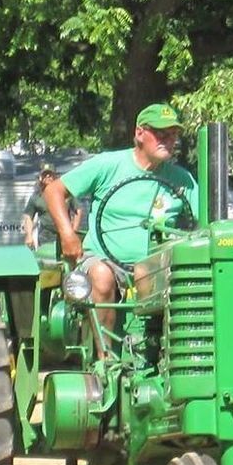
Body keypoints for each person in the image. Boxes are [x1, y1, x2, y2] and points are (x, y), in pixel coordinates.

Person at [42, 103, 198, 350]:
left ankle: (163, 353)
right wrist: (67, 234)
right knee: (101, 276)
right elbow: (54, 191)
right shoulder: (108, 165)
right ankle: (105, 359)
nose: (169, 141)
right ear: (140, 133)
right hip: (104, 259)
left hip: (155, 266)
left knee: (155, 274)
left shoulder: (182, 180)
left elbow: (205, 224)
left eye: (173, 135)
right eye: (161, 134)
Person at [21, 167, 65, 250]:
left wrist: (74, 228)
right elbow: (28, 217)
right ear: (40, 178)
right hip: (46, 236)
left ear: (55, 177)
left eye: (50, 175)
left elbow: (78, 210)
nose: (48, 177)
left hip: (65, 234)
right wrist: (29, 235)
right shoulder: (36, 197)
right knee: (47, 257)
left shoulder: (64, 194)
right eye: (45, 175)